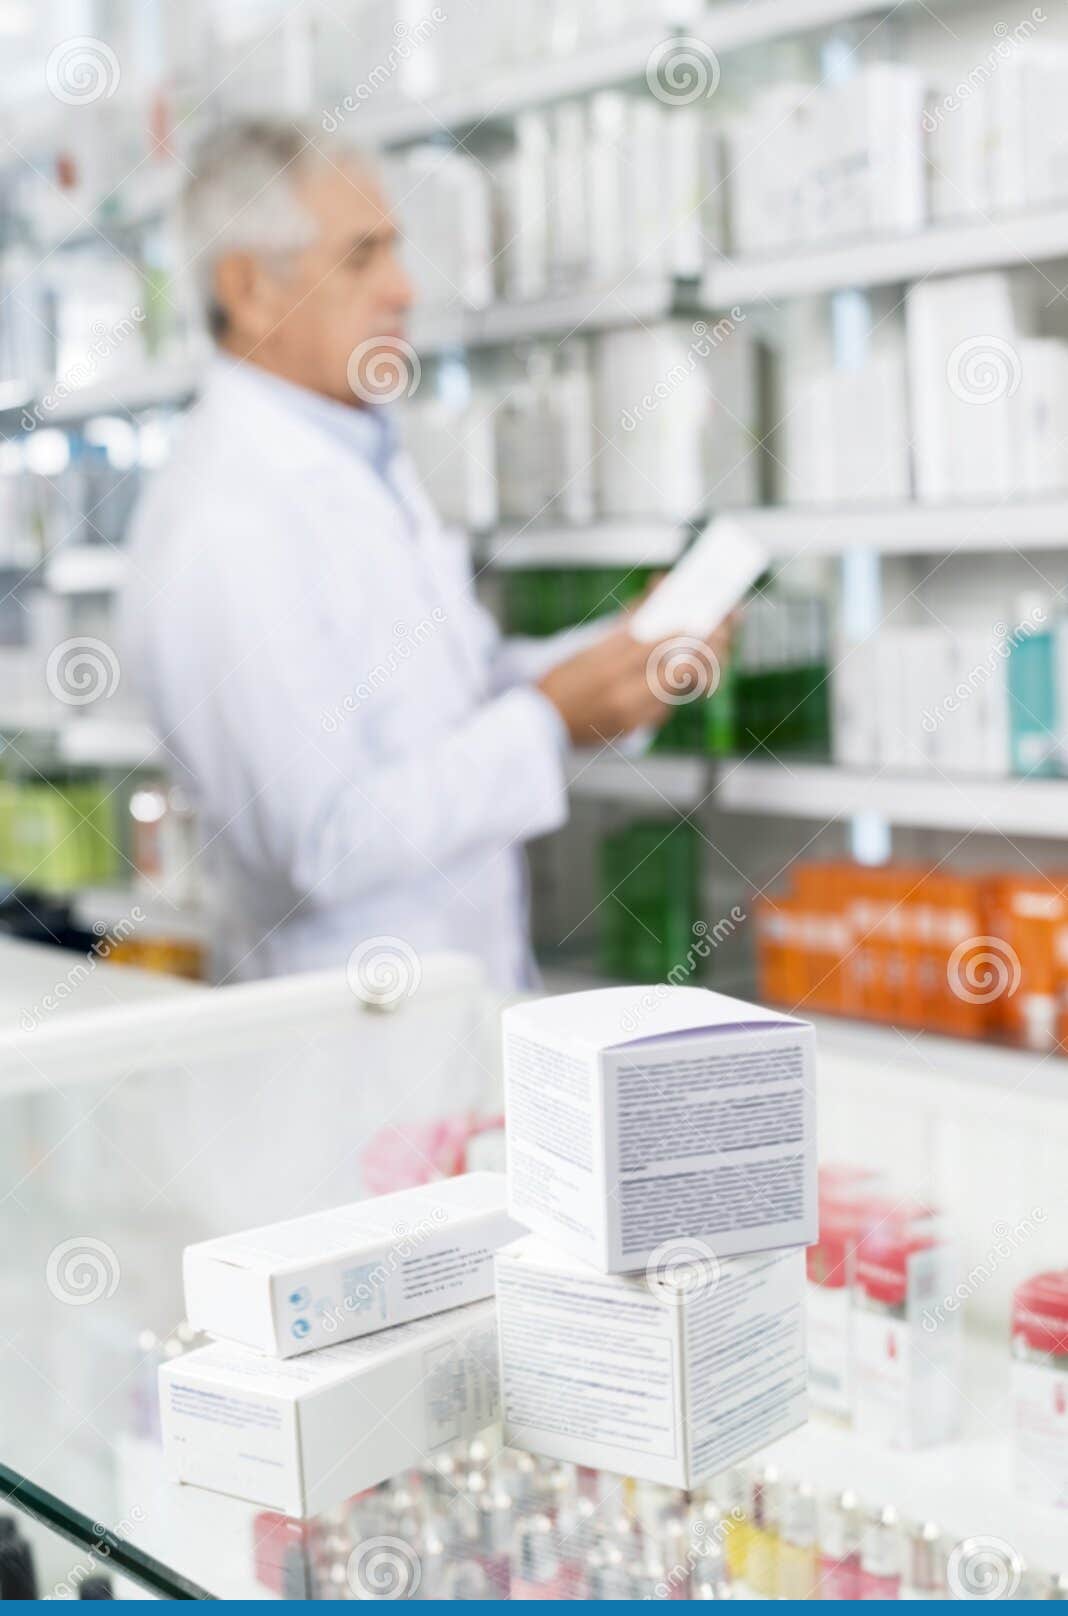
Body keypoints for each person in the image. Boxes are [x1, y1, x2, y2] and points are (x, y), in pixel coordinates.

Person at [124, 121, 726, 988]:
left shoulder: (361, 455)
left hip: (454, 1014)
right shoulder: (225, 523)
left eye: (397, 254)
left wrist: (616, 665)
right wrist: (551, 719)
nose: (404, 289)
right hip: (348, 1045)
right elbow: (321, 846)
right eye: (361, 258)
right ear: (249, 288)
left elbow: (453, 693)